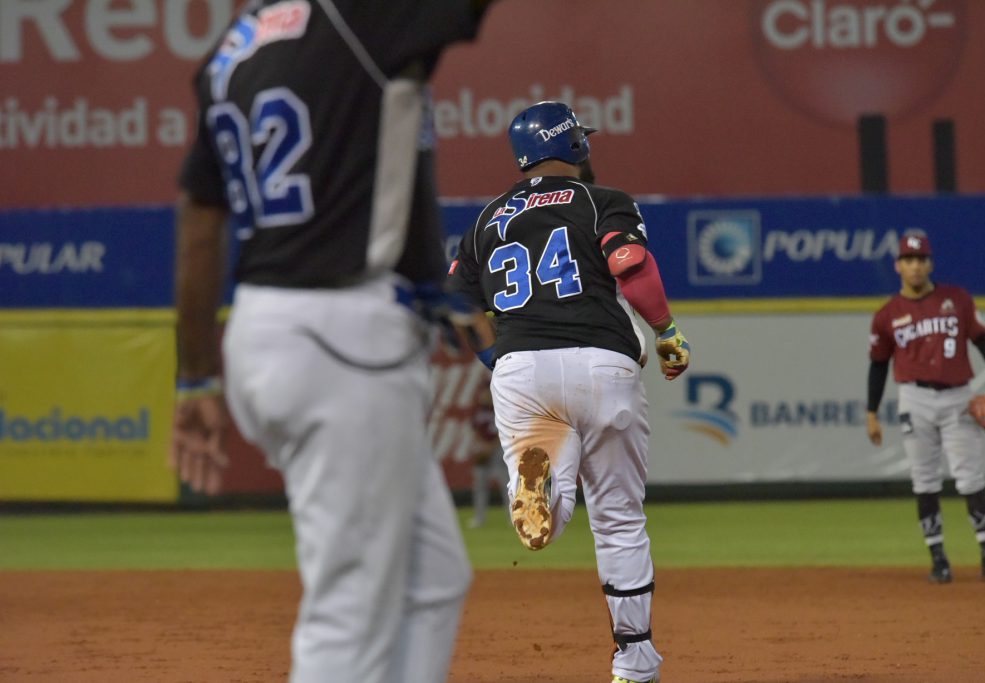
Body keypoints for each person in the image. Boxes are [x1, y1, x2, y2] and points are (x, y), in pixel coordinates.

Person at [169, 2, 498, 681]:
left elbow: (200, 222)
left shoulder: (231, 50)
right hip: (341, 332)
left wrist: (196, 377)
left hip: (264, 326)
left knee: (433, 574)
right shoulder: (365, 17)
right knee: (347, 612)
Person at [448, 101, 690, 683]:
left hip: (521, 370)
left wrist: (494, 358)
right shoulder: (600, 199)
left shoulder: (486, 219)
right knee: (619, 519)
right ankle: (634, 662)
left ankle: (542, 494)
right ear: (572, 144)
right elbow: (630, 265)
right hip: (602, 362)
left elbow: (455, 302)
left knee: (550, 517)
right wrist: (666, 331)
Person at [866, 233, 985, 584]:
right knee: (924, 479)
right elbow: (877, 364)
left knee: (970, 477)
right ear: (898, 266)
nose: (915, 265)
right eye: (908, 259)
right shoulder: (887, 315)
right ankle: (938, 559)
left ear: (930, 264)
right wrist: (871, 412)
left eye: (921, 259)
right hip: (914, 399)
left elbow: (983, 340)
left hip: (957, 397)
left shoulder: (957, 300)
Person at [467, 376, 508, 528]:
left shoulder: (502, 408)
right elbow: (474, 430)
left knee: (507, 485)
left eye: (488, 392)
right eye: (484, 392)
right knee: (479, 485)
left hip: (499, 451)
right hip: (483, 451)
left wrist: (490, 447)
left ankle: (513, 518)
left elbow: (505, 431)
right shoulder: (478, 409)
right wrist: (480, 446)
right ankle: (479, 518)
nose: (485, 395)